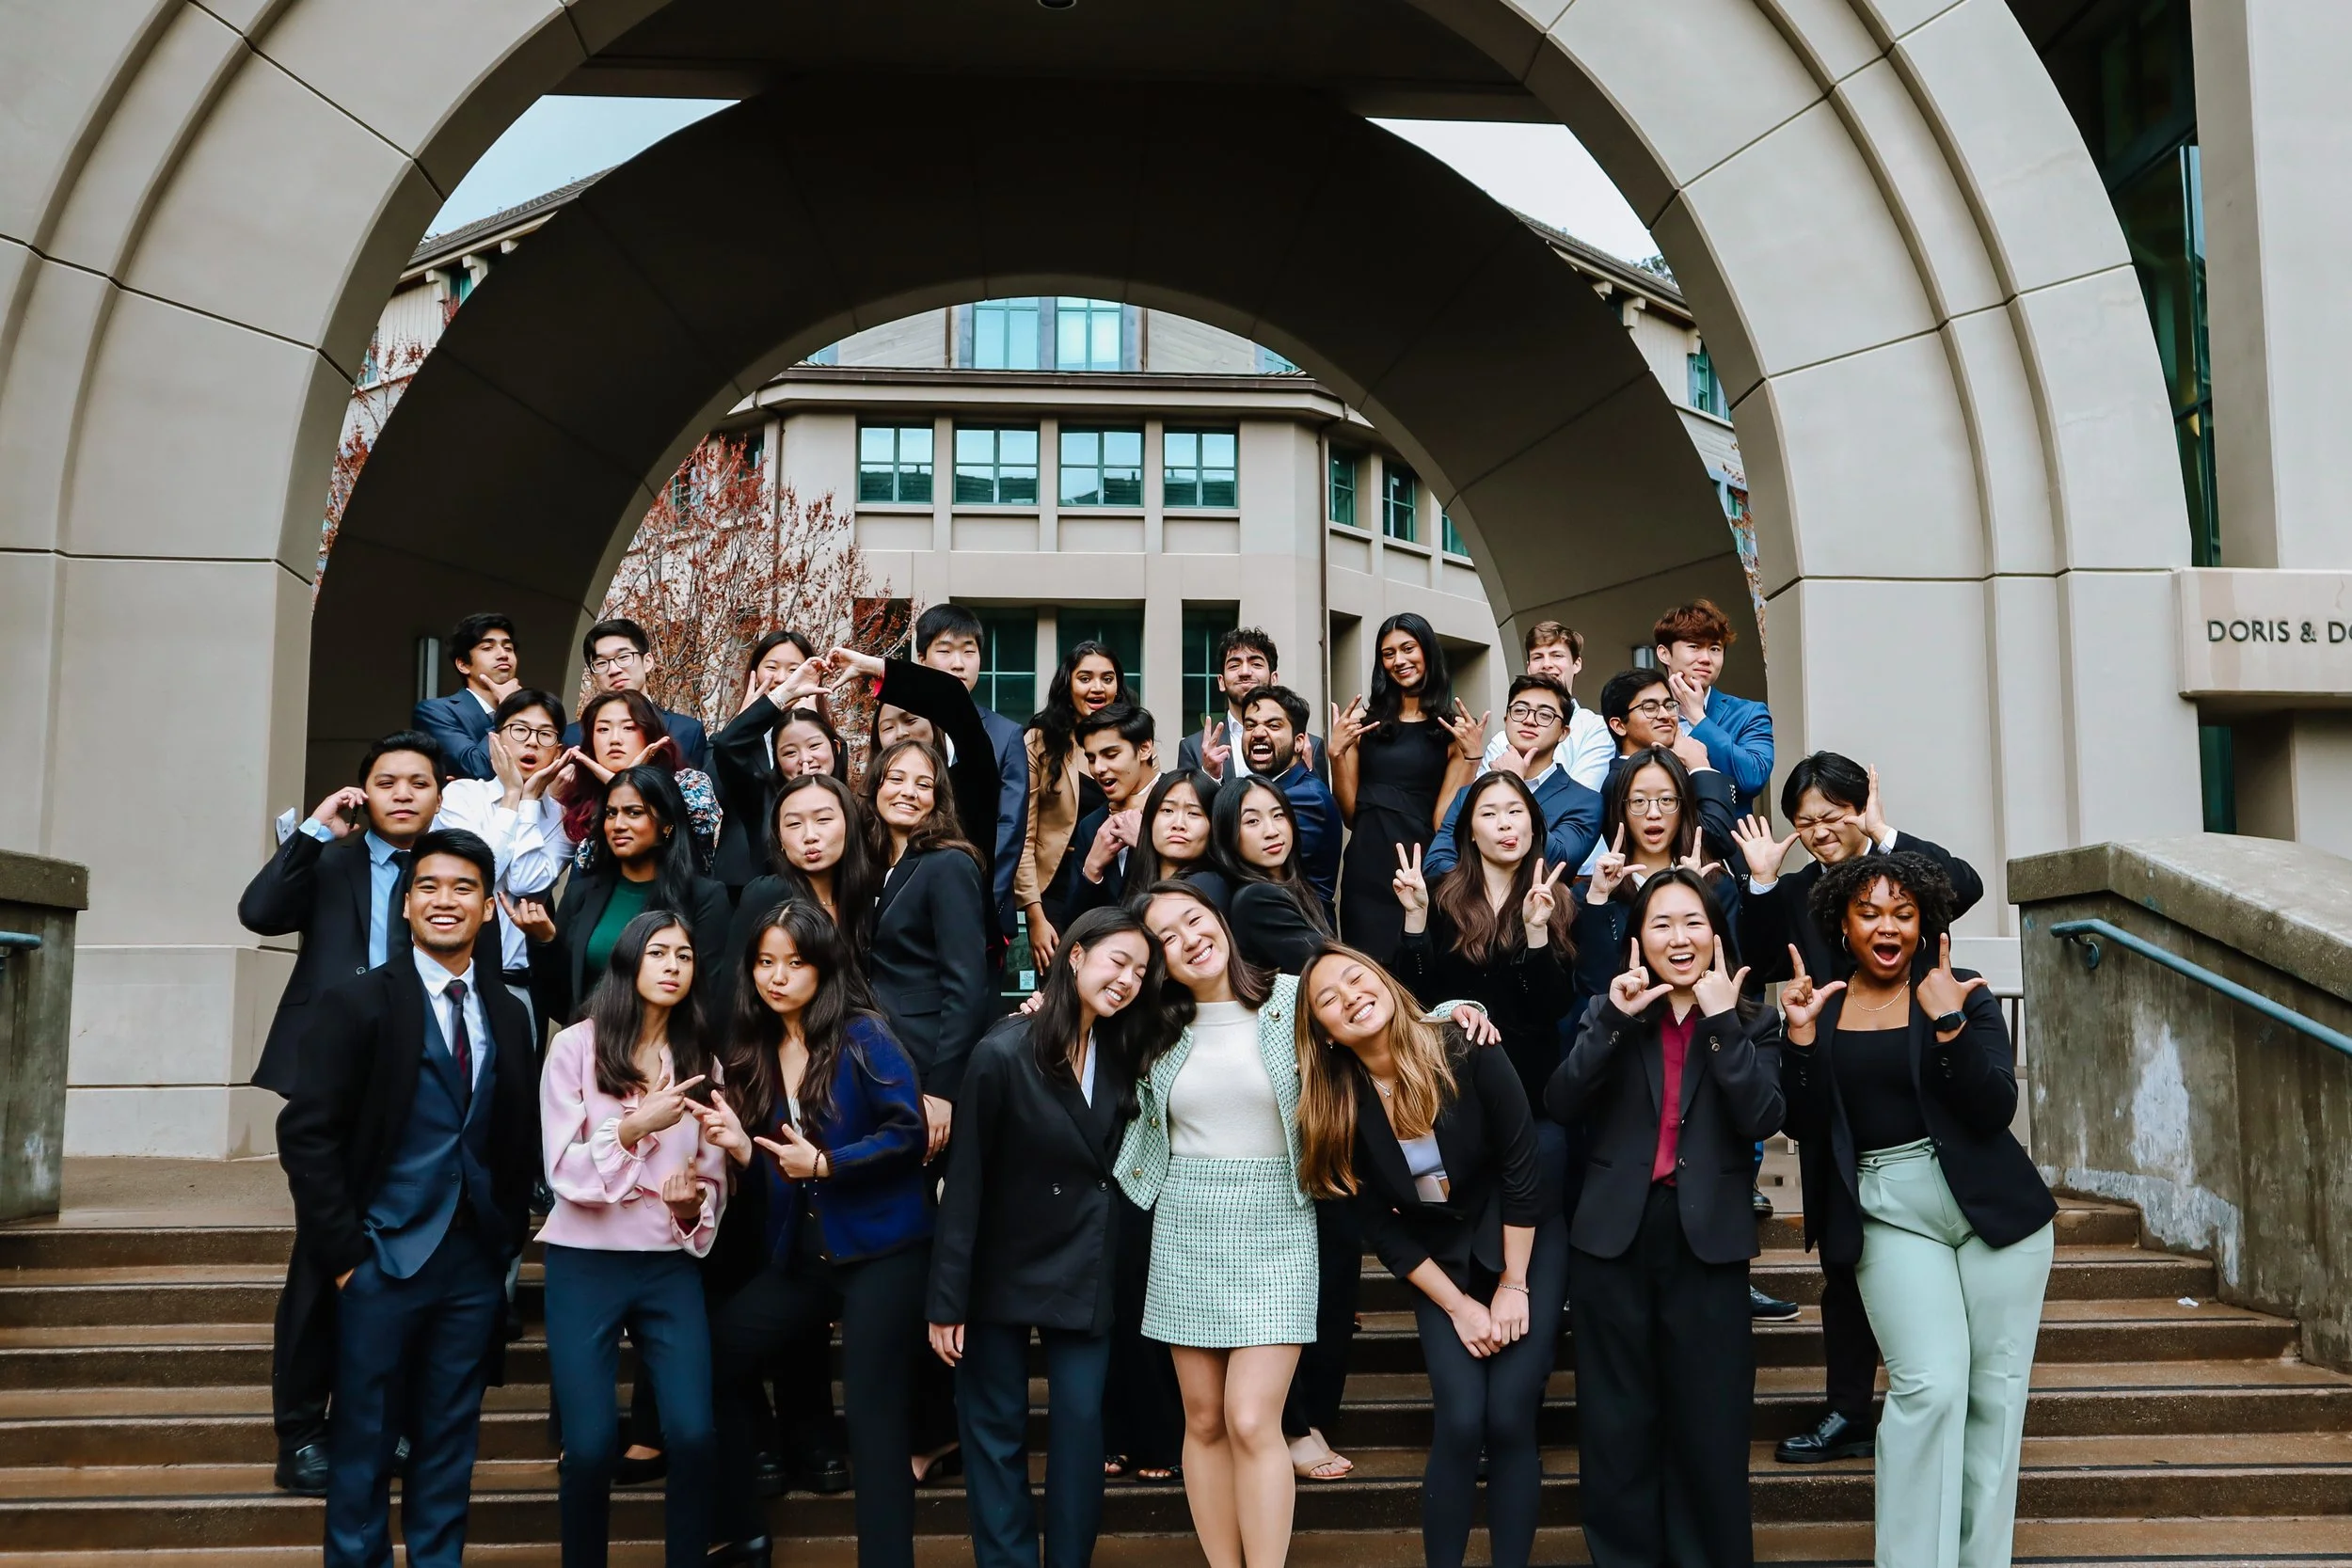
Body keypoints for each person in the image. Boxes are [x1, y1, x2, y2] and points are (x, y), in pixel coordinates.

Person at [1780, 854, 2054, 1568]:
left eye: (1903, 913)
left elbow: (1995, 1107)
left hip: (1993, 1212)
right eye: (1869, 912)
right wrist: (1800, 1042)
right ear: (1843, 923)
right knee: (1930, 1386)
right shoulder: (1823, 1005)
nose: (1888, 926)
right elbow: (1805, 1126)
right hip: (1888, 1207)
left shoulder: (1959, 991)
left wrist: (1951, 1023)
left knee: (1995, 1401)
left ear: (1924, 922)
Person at [275, 829, 539, 1568]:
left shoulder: (508, 1011)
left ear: (487, 906)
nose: (444, 900)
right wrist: (345, 1256)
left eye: (463, 888)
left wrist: (504, 1240)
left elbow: (513, 1133)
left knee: (450, 1441)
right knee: (362, 1442)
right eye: (428, 886)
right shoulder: (357, 1002)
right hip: (379, 1259)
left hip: (472, 1264)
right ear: (406, 901)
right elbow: (307, 1136)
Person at [1730, 752, 1987, 1465]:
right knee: (1845, 1263)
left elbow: (1966, 885)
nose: (1819, 832)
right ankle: (1847, 1409)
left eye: (1833, 815)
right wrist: (1759, 883)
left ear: (1858, 809)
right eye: (1804, 821)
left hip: (1918, 1088)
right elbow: (1757, 959)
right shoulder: (1793, 892)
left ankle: (1943, 1403)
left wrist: (1884, 833)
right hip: (1832, 1095)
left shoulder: (1901, 874)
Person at [240, 731, 469, 1497]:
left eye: (418, 782)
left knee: (404, 1250)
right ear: (362, 792)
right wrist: (312, 830)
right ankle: (302, 1432)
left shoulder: (448, 873)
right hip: (330, 1071)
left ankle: (377, 1419)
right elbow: (258, 911)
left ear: (441, 794)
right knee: (324, 1246)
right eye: (386, 781)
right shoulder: (331, 858)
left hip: (418, 1073)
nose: (402, 793)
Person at [1295, 945, 1564, 1568]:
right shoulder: (1338, 1104)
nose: (1351, 997)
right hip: (1438, 1262)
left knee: (1509, 1416)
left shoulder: (1466, 1045)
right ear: (1324, 1032)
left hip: (1522, 1242)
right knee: (1462, 1419)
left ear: (1384, 981)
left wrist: (1513, 1284)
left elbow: (1523, 1168)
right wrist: (1460, 1307)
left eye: (1357, 978)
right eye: (1329, 999)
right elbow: (1379, 1230)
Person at [1545, 869, 1784, 1568]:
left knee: (1711, 1424)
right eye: (1661, 924)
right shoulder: (1611, 1009)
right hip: (1612, 1239)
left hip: (1707, 1240)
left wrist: (1720, 1022)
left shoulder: (1751, 1019)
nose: (1679, 938)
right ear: (1639, 939)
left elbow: (1763, 1116)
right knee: (1616, 1423)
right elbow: (1561, 1102)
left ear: (1715, 934)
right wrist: (1614, 1023)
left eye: (1692, 922)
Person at [929, 906, 1177, 1568]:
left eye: (1140, 972)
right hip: (997, 1265)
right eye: (1118, 961)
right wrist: (947, 1299)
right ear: (1075, 955)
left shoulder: (1125, 1047)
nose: (1128, 980)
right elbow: (966, 1180)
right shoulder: (1002, 1050)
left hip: (1085, 1260)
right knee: (993, 1429)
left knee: (1080, 1426)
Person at [698, 900, 934, 1568]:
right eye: (765, 962)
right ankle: (743, 1530)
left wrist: (830, 1162)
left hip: (882, 1251)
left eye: (795, 962)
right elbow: (782, 1166)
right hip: (806, 1253)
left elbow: (908, 1131)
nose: (777, 977)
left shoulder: (863, 1034)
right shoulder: (755, 1047)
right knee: (712, 1354)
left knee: (873, 1419)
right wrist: (744, 1150)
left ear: (824, 967)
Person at [1120, 882, 1318, 1568]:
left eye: (1193, 919)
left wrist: (1462, 1010)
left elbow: (1376, 1010)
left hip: (1280, 1221)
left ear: (1220, 921)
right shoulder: (1153, 1028)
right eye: (1166, 938)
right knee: (1203, 1419)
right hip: (1185, 1220)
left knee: (1252, 1417)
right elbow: (1070, 1027)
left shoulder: (1292, 998)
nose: (1188, 940)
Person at [537, 911, 725, 1568]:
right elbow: (560, 1168)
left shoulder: (701, 1060)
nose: (673, 965)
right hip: (584, 1264)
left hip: (668, 1266)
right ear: (628, 962)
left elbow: (711, 1177)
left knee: (694, 1435)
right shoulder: (575, 1047)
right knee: (589, 1448)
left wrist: (691, 1205)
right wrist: (633, 1126)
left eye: (684, 955)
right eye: (658, 952)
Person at [1392, 773, 1577, 1194]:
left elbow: (1552, 1007)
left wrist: (1536, 933)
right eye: (1490, 814)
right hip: (1453, 1091)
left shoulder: (1559, 900)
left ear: (1534, 824)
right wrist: (1415, 919)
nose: (1505, 823)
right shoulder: (1437, 895)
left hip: (1531, 1093)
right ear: (1471, 832)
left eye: (1515, 811)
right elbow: (1412, 1000)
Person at [514, 767, 730, 1029]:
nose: (618, 825)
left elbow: (708, 999)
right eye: (611, 813)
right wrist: (546, 942)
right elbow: (562, 1004)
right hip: (589, 1045)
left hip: (667, 1048)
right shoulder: (581, 894)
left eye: (634, 813)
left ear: (667, 825)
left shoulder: (705, 897)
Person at [863, 738, 993, 1166]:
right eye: (896, 779)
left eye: (923, 784)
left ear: (938, 799)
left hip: (925, 1059)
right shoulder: (869, 865)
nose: (908, 792)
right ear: (876, 785)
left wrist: (942, 1091)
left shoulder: (949, 864)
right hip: (873, 1055)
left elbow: (966, 986)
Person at [1330, 612, 1483, 965]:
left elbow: (1444, 821)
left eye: (1408, 648)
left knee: (1419, 970)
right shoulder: (1362, 726)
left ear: (1427, 651)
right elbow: (1350, 814)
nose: (1399, 660)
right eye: (1388, 653)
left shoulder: (1452, 730)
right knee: (1367, 969)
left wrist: (1472, 758)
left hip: (1421, 870)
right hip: (1366, 870)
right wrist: (1336, 754)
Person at [432, 689, 572, 1026]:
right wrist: (512, 796)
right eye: (519, 730)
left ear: (558, 751)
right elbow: (477, 877)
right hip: (451, 980)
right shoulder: (461, 796)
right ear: (495, 739)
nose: (532, 742)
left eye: (545, 734)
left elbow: (525, 883)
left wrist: (529, 802)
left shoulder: (563, 819)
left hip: (521, 986)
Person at [913, 604, 1033, 947]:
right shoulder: (904, 727)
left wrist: (979, 905)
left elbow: (1009, 829)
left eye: (969, 651)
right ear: (922, 659)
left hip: (980, 912)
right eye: (945, 651)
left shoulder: (1005, 734)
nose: (958, 663)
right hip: (911, 908)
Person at [1018, 641, 1132, 966]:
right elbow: (1023, 835)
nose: (1097, 688)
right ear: (1068, 684)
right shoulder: (1039, 741)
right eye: (1085, 678)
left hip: (1119, 880)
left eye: (1107, 679)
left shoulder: (1133, 741)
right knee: (1061, 983)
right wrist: (1035, 916)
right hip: (1056, 888)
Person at [1426, 674, 1604, 881]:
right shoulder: (1468, 795)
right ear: (1506, 720)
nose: (1529, 720)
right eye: (1519, 710)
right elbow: (1435, 865)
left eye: (1545, 715)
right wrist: (1488, 887)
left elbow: (1557, 864)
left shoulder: (1586, 802)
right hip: (1471, 903)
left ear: (1563, 732)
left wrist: (1515, 786)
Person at [708, 631, 828, 899]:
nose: (783, 678)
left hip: (809, 879)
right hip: (740, 881)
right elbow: (711, 794)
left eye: (794, 670)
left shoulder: (828, 745)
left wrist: (811, 729)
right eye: (772, 667)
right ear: (754, 673)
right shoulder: (728, 741)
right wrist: (746, 719)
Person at [559, 689, 723, 871]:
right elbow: (586, 864)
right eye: (603, 729)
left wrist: (625, 785)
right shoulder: (584, 796)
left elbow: (692, 846)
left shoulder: (689, 784)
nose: (614, 739)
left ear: (650, 734)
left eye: (628, 728)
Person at [728, 773, 882, 958]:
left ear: (850, 825)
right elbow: (737, 972)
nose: (810, 836)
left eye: (823, 819)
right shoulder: (766, 895)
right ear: (780, 838)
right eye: (794, 824)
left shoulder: (866, 896)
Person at [1652, 599, 1772, 806]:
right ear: (1664, 654)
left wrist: (1698, 718)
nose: (1706, 658)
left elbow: (1753, 779)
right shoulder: (1642, 712)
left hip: (1723, 826)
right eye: (1694, 646)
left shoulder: (1749, 713)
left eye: (1715, 649)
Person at [1211, 775, 1331, 977]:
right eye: (1252, 821)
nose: (1271, 831)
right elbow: (1328, 967)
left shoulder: (1293, 884)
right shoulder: (1256, 899)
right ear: (1228, 833)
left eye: (1278, 815)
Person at [1178, 627, 1328, 784]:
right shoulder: (1192, 748)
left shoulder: (1309, 746)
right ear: (1221, 682)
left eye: (1256, 664)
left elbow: (1320, 798)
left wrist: (1305, 775)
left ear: (1274, 678)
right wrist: (1209, 776)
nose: (1245, 672)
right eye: (1234, 665)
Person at [561, 617, 713, 772]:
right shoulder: (572, 737)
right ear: (593, 675)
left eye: (623, 657)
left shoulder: (687, 731)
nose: (613, 670)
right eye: (601, 663)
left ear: (647, 662)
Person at [1238, 687, 1341, 909]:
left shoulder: (1306, 797)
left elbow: (1249, 865)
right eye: (1250, 726)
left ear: (1299, 742)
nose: (1258, 733)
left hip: (1295, 923)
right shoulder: (1266, 789)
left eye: (1273, 726)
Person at [1482, 621, 1612, 790]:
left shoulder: (1595, 728)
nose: (1547, 664)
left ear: (1576, 664)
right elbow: (1483, 799)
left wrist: (1513, 782)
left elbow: (1581, 796)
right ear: (1529, 667)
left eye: (1557, 655)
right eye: (1537, 657)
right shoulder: (1502, 739)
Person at [1061, 702, 1160, 919]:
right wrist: (1092, 868)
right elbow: (1075, 922)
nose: (1098, 768)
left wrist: (1145, 845)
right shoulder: (1091, 826)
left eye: (1111, 754)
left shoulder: (1179, 804)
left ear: (1144, 749)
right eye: (1091, 758)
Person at [412, 612, 522, 781]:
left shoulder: (535, 711)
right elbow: (476, 769)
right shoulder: (435, 711)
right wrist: (508, 709)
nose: (503, 654)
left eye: (508, 648)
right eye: (488, 648)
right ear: (463, 664)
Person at [1119, 769, 1230, 911]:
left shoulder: (1208, 885)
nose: (1178, 824)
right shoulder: (1136, 877)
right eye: (1167, 810)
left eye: (1193, 813)